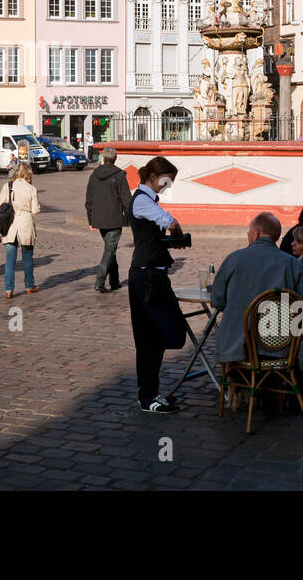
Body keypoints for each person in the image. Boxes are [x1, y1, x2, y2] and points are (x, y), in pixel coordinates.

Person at [210, 212, 303, 369]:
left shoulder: (234, 259)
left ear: (256, 233)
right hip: (281, 347)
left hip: (238, 347)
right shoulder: (293, 264)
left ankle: (239, 386)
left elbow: (217, 300)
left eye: (249, 231)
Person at [126, 156, 188, 414]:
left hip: (153, 275)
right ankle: (147, 395)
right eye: (165, 180)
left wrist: (171, 241)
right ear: (153, 176)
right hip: (146, 277)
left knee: (156, 337)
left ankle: (150, 393)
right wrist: (176, 232)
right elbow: (169, 222)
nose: (166, 185)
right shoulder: (141, 200)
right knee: (157, 335)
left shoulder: (147, 200)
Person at [85, 145, 132, 292]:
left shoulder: (94, 175)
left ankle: (115, 280)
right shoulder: (119, 175)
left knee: (110, 249)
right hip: (114, 219)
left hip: (99, 218)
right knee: (110, 250)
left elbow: (89, 200)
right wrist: (129, 218)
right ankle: (100, 281)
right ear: (115, 159)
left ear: (103, 158)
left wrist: (91, 219)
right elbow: (127, 200)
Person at [0, 162, 41, 297]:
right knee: (27, 257)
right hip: (25, 223)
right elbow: (35, 210)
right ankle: (29, 285)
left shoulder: (7, 186)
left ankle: (8, 289)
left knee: (10, 259)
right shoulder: (31, 188)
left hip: (9, 224)